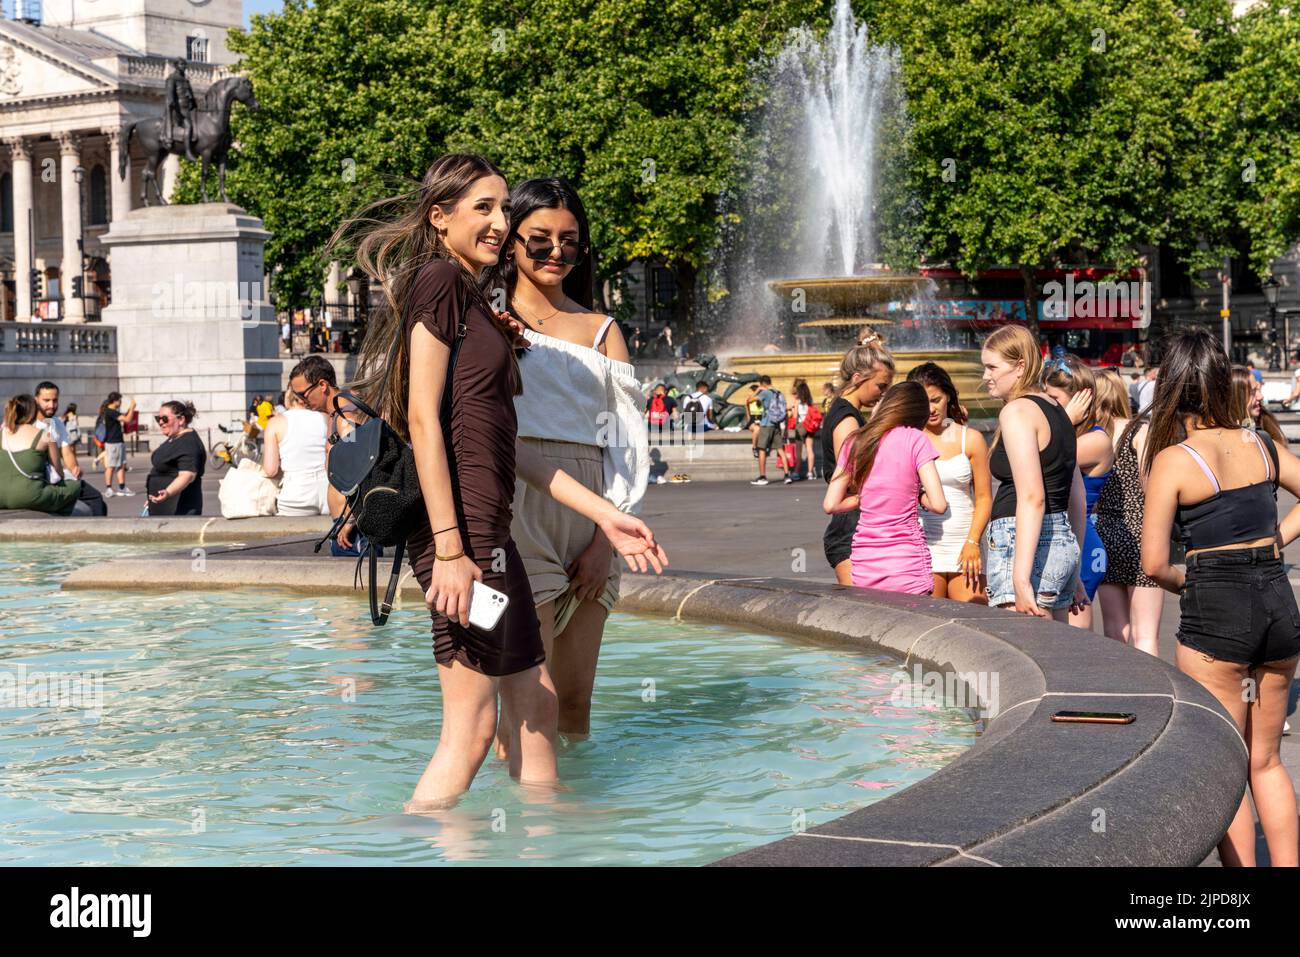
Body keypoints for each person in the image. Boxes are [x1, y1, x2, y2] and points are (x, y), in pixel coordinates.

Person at [332, 152, 666, 807]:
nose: (496, 220)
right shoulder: (439, 283)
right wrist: (451, 550)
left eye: (500, 207)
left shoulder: (476, 307)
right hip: (465, 551)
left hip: (494, 548)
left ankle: (553, 847)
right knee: (473, 728)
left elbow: (512, 453)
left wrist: (603, 513)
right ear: (439, 217)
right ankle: (415, 844)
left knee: (534, 714)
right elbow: (423, 419)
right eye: (481, 207)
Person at [483, 176, 649, 759]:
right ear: (510, 242)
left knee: (576, 699)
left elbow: (627, 444)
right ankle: (529, 820)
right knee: (532, 697)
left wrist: (609, 533)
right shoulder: (485, 322)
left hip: (593, 512)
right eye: (540, 239)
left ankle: (572, 823)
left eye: (569, 240)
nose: (557, 251)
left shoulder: (603, 330)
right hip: (515, 504)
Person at [1141, 328, 1299, 867]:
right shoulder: (1258, 442)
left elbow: (1154, 563)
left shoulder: (1175, 460)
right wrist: (1276, 539)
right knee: (1268, 762)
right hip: (1278, 604)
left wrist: (1200, 577)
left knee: (1227, 765)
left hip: (1218, 614)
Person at [981, 325, 1087, 621]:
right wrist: (1074, 566)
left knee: (1026, 655)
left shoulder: (1017, 412)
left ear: (1020, 367)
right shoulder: (1056, 410)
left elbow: (1031, 497)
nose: (985, 377)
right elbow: (1076, 495)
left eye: (992, 367)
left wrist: (1020, 577)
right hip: (1060, 540)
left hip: (1023, 542)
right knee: (1052, 656)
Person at [823, 381, 946, 594]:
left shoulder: (855, 441)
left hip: (865, 564)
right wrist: (916, 496)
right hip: (907, 564)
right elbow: (938, 504)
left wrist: (864, 498)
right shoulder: (916, 439)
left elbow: (831, 504)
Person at [908, 362, 992, 603]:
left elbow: (985, 497)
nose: (931, 409)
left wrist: (973, 542)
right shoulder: (908, 438)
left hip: (965, 543)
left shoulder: (971, 439)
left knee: (972, 621)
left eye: (936, 399)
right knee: (927, 623)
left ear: (948, 397)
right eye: (923, 402)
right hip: (922, 545)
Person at [1093, 370, 1163, 655]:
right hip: (1140, 533)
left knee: (1113, 630)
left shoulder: (1093, 438)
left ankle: (1119, 692)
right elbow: (1152, 487)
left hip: (1104, 534)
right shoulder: (1140, 430)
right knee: (1145, 636)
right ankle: (1153, 695)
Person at [1042, 353, 1113, 630]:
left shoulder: (1096, 440)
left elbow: (1046, 460)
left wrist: (1064, 421)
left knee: (1075, 638)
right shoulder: (1068, 433)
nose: (1051, 407)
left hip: (1082, 543)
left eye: (1055, 400)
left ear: (1082, 399)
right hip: (1063, 536)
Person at [821, 332, 896, 584]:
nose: (883, 394)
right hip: (850, 529)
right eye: (880, 386)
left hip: (853, 525)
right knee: (862, 610)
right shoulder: (848, 419)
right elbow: (851, 478)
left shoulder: (846, 412)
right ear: (857, 378)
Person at [287, 354, 365, 554]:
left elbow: (359, 465)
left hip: (351, 527)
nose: (302, 401)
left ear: (322, 385)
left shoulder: (345, 416)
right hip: (347, 523)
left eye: (303, 394)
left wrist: (351, 518)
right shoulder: (339, 413)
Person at [0, 394, 81, 515]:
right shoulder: (45, 435)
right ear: (33, 413)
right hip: (30, 496)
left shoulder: (2, 433)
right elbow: (58, 473)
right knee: (74, 486)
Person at [35, 382, 105, 517]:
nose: (51, 405)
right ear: (36, 400)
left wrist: (74, 469)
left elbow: (66, 451)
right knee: (95, 500)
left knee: (97, 499)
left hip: (60, 478)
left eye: (55, 400)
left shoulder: (56, 422)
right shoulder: (30, 423)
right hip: (43, 480)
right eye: (46, 400)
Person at [261, 387, 330, 516]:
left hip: (296, 493)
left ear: (289, 395)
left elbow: (270, 470)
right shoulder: (325, 418)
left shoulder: (275, 423)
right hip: (328, 490)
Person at [145, 401, 205, 516]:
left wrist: (167, 492)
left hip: (179, 509)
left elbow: (187, 475)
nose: (161, 422)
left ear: (181, 420)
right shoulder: (175, 437)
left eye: (165, 418)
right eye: (158, 419)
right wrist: (153, 497)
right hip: (163, 506)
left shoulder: (188, 443)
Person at [1233, 366, 1286, 445]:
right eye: (1253, 392)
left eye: (1258, 390)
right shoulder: (1223, 437)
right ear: (1236, 396)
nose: (1261, 396)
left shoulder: (1265, 421)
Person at [750, 375, 787, 486]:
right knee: (780, 450)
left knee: (762, 449)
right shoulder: (778, 392)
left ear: (763, 384)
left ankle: (762, 476)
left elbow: (750, 400)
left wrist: (757, 390)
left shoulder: (764, 393)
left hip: (766, 424)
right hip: (776, 424)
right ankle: (787, 475)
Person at [98, 392, 135, 497]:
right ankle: (109, 488)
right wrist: (132, 407)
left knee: (121, 466)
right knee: (111, 466)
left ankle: (122, 487)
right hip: (113, 443)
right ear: (115, 401)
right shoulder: (110, 412)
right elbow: (127, 420)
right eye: (120, 400)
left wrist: (129, 410)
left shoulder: (111, 411)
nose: (121, 402)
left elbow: (125, 417)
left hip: (117, 442)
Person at [791, 379, 820, 480]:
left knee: (798, 451)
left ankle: (796, 472)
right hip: (809, 427)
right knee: (809, 449)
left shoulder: (797, 402)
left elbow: (794, 416)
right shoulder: (810, 402)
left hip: (800, 427)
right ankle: (810, 473)